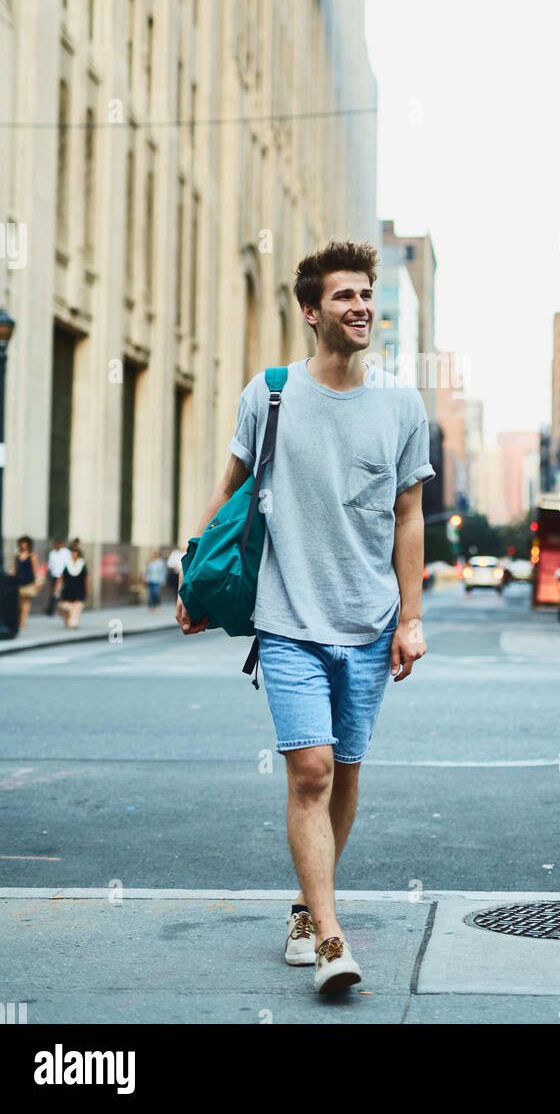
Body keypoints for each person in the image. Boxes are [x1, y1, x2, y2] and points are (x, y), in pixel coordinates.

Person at [176, 240, 435, 997]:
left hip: (370, 621)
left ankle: (302, 906)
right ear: (311, 311)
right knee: (311, 770)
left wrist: (411, 619)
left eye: (366, 295)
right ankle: (329, 938)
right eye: (345, 296)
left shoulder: (402, 404)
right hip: (287, 619)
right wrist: (195, 578)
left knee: (345, 771)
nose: (360, 307)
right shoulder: (274, 393)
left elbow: (411, 514)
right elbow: (229, 489)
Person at [11, 536, 41, 631]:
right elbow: (14, 569)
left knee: (26, 601)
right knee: (19, 603)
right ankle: (20, 619)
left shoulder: (32, 556)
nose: (24, 545)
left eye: (25, 543)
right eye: (22, 543)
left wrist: (37, 582)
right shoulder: (16, 556)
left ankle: (23, 621)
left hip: (29, 581)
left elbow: (36, 570)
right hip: (18, 581)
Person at [56, 542, 89, 629]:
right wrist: (58, 587)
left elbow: (86, 578)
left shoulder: (82, 564)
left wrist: (87, 589)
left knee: (76, 608)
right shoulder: (67, 564)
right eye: (72, 553)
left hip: (78, 589)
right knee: (65, 606)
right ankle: (67, 619)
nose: (74, 555)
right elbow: (62, 577)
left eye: (75, 553)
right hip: (68, 589)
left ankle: (73, 622)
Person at [46, 537, 70, 615]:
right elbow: (50, 565)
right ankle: (52, 610)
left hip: (64, 575)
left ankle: (62, 609)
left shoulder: (66, 552)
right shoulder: (52, 553)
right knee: (55, 592)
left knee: (62, 592)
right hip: (54, 575)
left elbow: (68, 563)